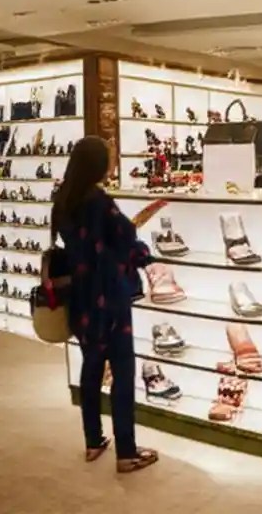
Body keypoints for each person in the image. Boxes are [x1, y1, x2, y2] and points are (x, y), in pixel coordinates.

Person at [52, 136, 160, 473]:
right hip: (109, 297)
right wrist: (145, 255)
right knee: (123, 371)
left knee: (91, 367)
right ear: (98, 164)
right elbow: (126, 239)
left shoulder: (63, 198)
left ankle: (93, 441)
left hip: (81, 296)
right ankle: (126, 452)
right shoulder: (99, 202)